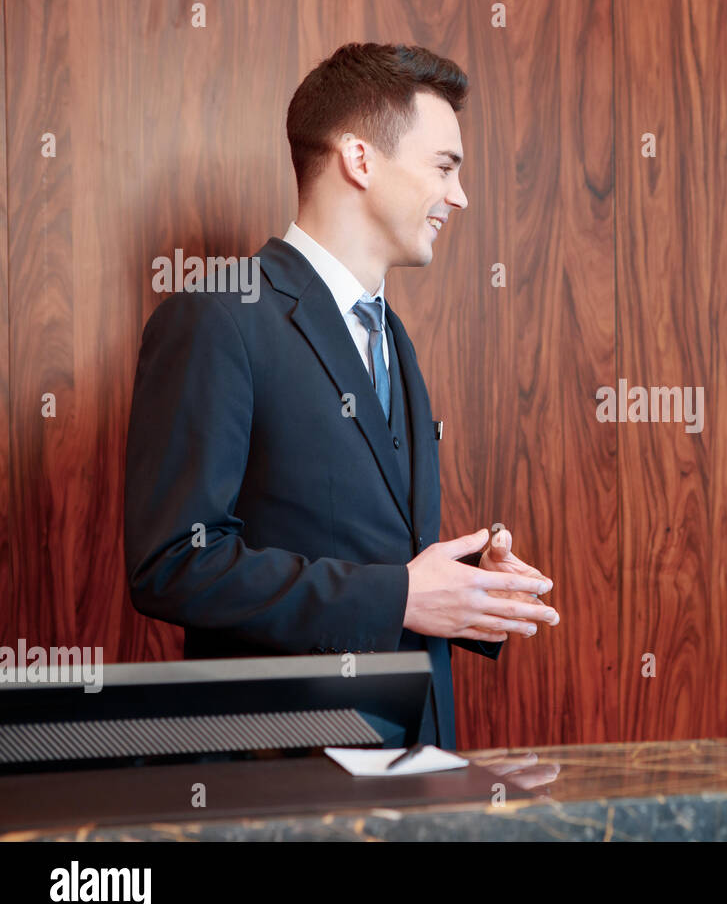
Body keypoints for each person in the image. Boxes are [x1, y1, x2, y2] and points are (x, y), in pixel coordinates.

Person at [124, 43, 558, 751]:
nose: (460, 196)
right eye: (444, 168)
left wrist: (466, 591)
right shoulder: (218, 316)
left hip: (419, 763)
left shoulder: (394, 336)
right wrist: (402, 596)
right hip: (287, 779)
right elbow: (173, 564)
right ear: (359, 160)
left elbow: (366, 548)